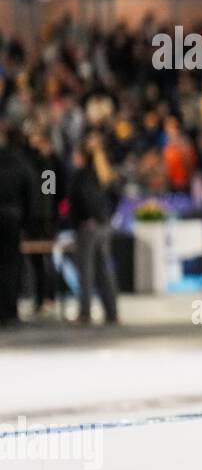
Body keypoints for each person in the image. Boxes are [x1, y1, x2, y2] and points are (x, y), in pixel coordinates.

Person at [68, 134, 120, 326]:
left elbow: (81, 199)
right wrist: (106, 216)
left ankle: (85, 314)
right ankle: (112, 313)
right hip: (104, 227)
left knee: (86, 272)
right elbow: (116, 196)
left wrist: (88, 218)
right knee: (105, 271)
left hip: (88, 228)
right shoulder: (105, 172)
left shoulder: (83, 175)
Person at [0, 123, 35, 326]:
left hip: (16, 216)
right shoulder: (29, 163)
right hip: (16, 219)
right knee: (13, 266)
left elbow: (50, 185)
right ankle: (12, 309)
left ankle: (44, 299)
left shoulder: (45, 165)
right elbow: (44, 191)